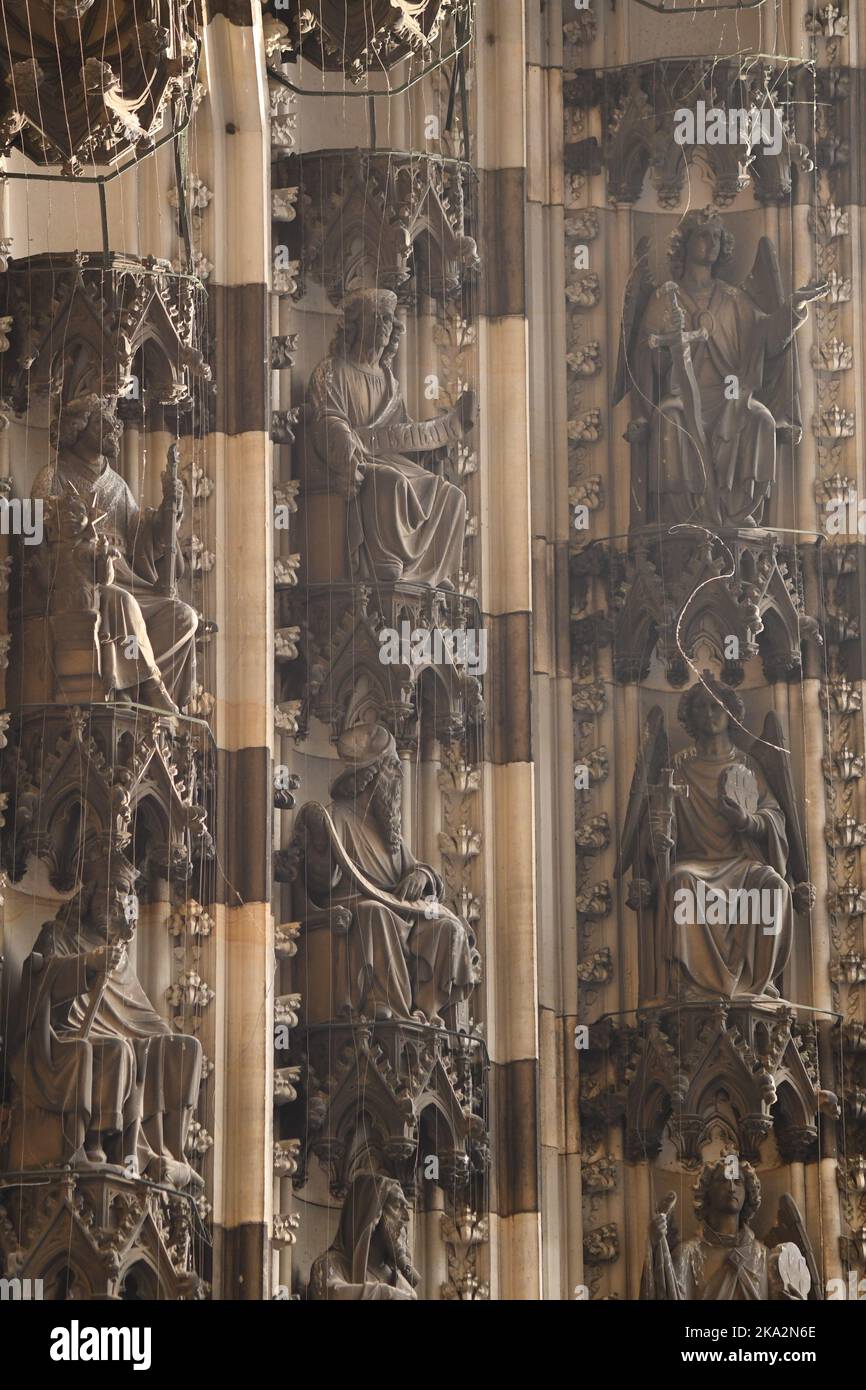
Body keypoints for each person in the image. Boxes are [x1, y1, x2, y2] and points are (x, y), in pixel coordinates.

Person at [6, 852, 202, 1188]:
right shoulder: (58, 934)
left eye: (124, 895)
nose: (117, 902)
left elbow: (137, 1014)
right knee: (116, 1050)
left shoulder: (120, 955)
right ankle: (95, 1145)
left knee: (184, 1048)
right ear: (90, 897)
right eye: (110, 892)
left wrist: (164, 1039)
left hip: (115, 1033)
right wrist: (88, 964)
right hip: (61, 1035)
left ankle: (169, 1154)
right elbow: (37, 980)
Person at [293, 723, 476, 1026]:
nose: (400, 775)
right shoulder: (337, 816)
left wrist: (422, 876)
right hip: (356, 910)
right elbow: (320, 883)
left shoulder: (391, 836)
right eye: (392, 767)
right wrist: (320, 844)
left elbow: (419, 868)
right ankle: (385, 1003)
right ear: (371, 776)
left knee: (447, 927)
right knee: (375, 912)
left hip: (402, 915)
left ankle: (428, 1012)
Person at [31, 393, 198, 712]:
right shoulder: (52, 476)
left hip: (127, 578)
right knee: (121, 602)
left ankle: (133, 686)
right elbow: (33, 537)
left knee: (183, 616)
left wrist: (168, 508)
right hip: (83, 578)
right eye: (101, 423)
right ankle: (147, 687)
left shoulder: (117, 484)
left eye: (115, 422)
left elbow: (140, 537)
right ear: (78, 428)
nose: (113, 429)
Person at [300, 288, 475, 587]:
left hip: (390, 457)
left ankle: (432, 569)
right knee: (392, 482)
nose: (384, 324)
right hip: (354, 459)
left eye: (388, 319)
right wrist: (346, 443)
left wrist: (436, 441)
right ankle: (385, 559)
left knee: (452, 495)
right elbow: (326, 417)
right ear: (356, 324)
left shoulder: (389, 382)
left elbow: (400, 433)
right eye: (376, 317)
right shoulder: (332, 370)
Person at [641, 1158, 811, 1301]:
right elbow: (663, 1294)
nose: (731, 1187)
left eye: (738, 1182)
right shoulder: (687, 1254)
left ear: (748, 1192)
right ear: (707, 1191)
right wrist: (656, 1244)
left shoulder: (764, 1257)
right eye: (723, 1180)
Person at [309, 1173, 419, 1300]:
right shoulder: (330, 1264)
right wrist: (386, 1293)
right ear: (372, 1215)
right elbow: (333, 1293)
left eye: (406, 1208)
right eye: (397, 1207)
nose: (406, 1217)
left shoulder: (399, 1282)